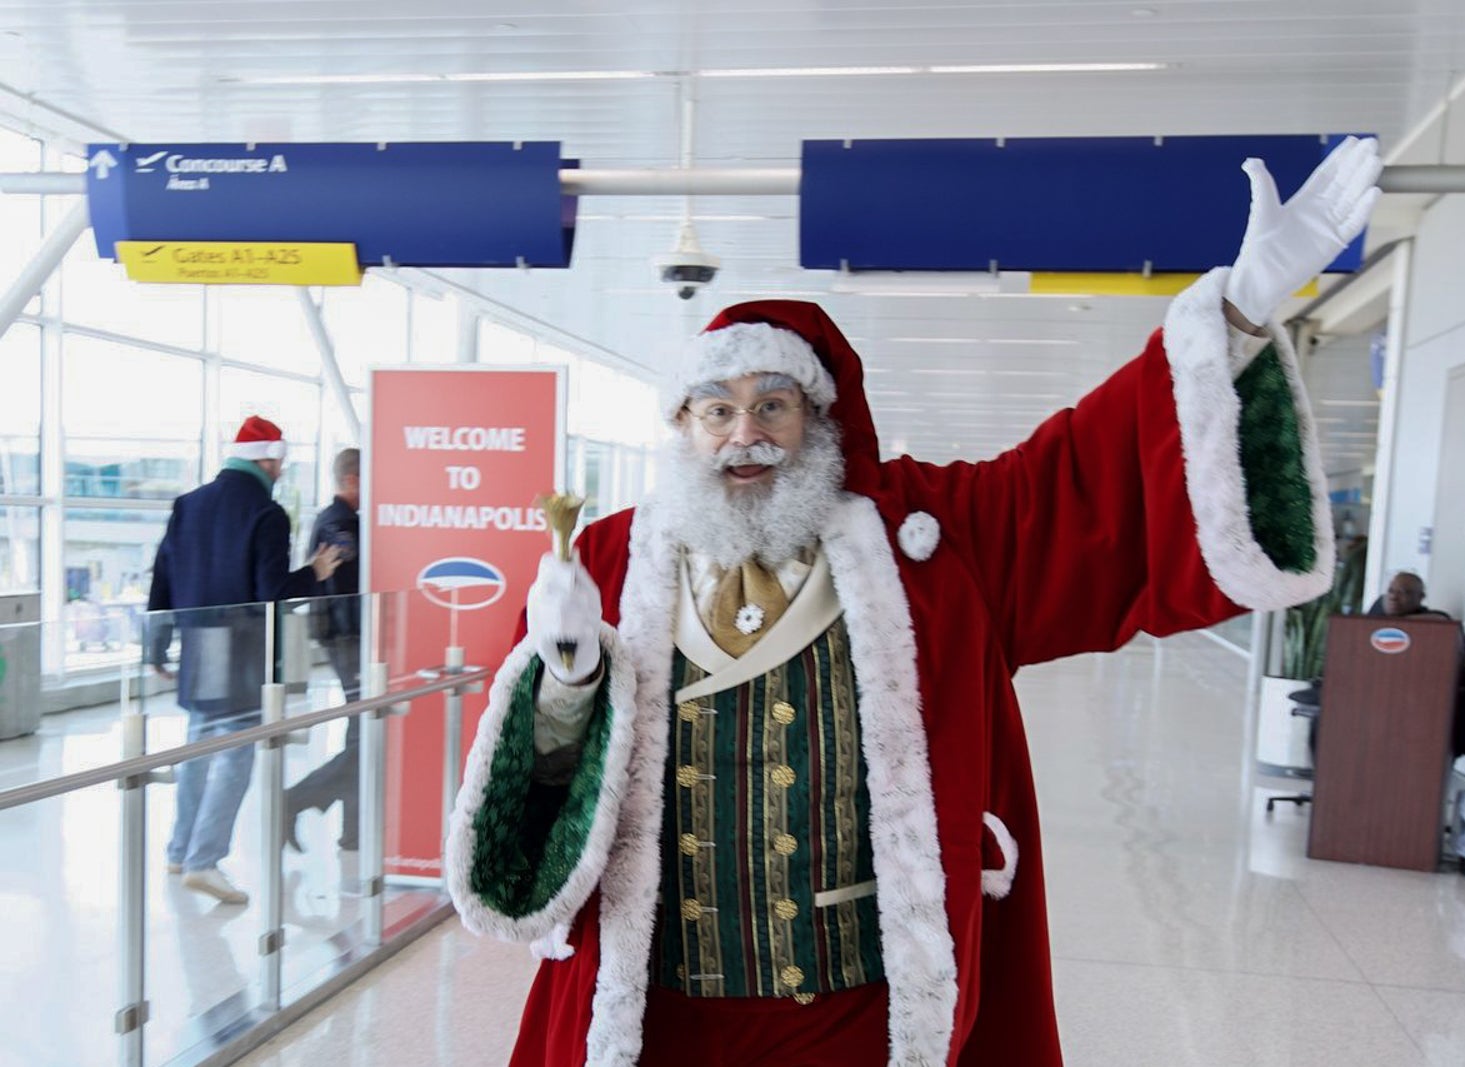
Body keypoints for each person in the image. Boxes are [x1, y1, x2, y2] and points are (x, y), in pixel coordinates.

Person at [446, 139, 1381, 1066]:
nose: (747, 434)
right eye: (718, 408)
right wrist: (563, 676)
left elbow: (1086, 483)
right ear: (682, 426)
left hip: (860, 1013)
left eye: (775, 404)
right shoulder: (605, 557)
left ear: (820, 421)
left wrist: (1237, 319)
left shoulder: (929, 540)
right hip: (661, 1011)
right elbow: (540, 787)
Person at [148, 416, 342, 906]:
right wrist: (315, 572)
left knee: (196, 751)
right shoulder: (266, 512)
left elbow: (162, 582)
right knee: (233, 756)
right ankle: (204, 860)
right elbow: (271, 594)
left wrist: (155, 646)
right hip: (241, 651)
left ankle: (179, 849)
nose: (282, 469)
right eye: (282, 460)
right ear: (270, 458)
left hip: (196, 647)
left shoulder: (187, 505)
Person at [285, 447, 362, 853]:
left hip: (347, 635)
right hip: (347, 637)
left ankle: (353, 831)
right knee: (365, 736)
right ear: (352, 480)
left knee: (364, 735)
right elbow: (341, 550)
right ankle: (297, 798)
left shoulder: (343, 520)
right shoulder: (337, 522)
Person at [1368, 570, 1450, 618]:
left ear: (1420, 597)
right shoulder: (1378, 608)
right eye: (1391, 591)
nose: (1393, 597)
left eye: (1402, 593)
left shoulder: (1431, 617)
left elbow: (1441, 618)